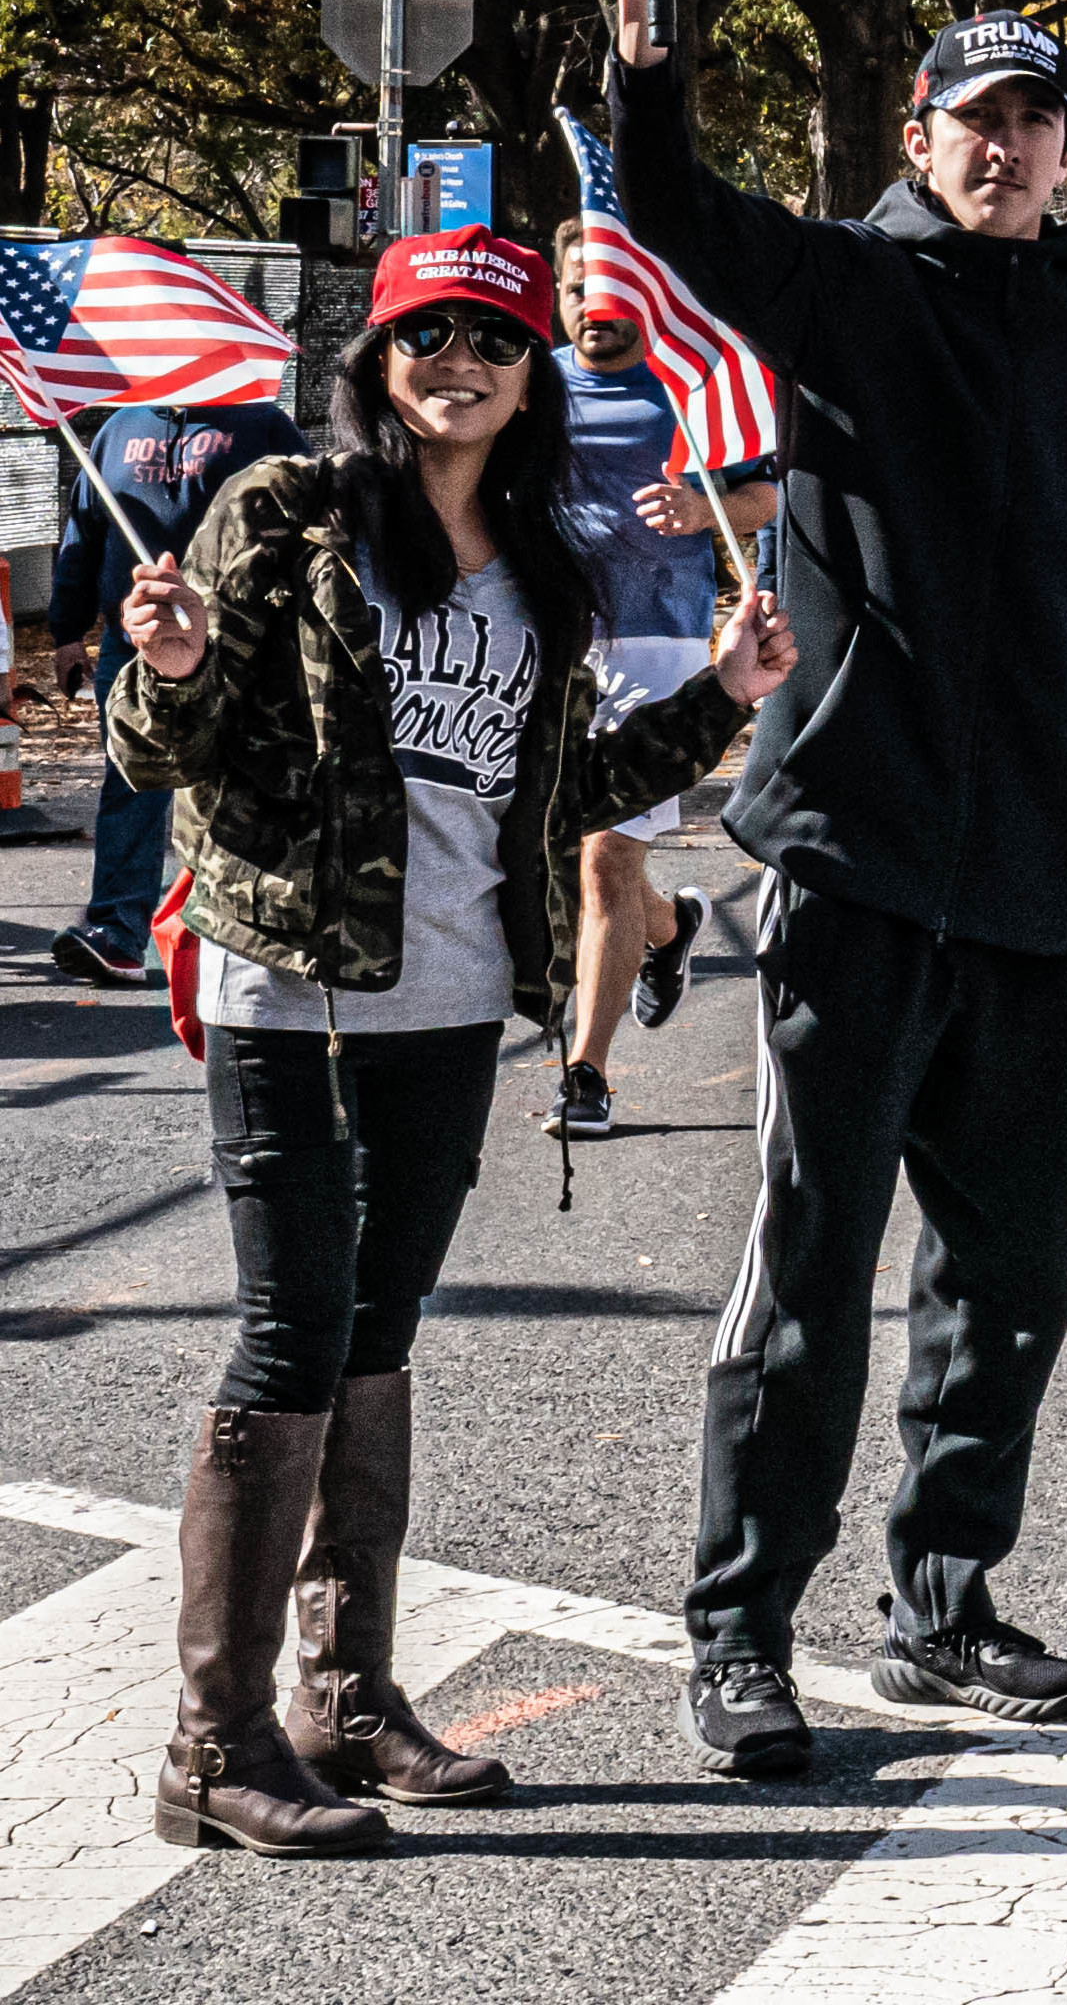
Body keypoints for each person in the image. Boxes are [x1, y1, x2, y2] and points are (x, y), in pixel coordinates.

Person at [605, 0, 1067, 1780]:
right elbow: (673, 206)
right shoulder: (851, 300)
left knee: (1004, 1282)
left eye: (1041, 125)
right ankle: (739, 1628)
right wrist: (649, 12)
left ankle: (942, 1602)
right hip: (853, 865)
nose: (1014, 151)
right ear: (925, 139)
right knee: (811, 1268)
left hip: (1041, 885)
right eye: (982, 122)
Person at [109, 228, 781, 1856]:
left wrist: (718, 696)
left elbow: (558, 792)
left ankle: (346, 1699)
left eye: (493, 334)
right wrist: (173, 667)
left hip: (458, 998)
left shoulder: (545, 566)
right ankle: (214, 1741)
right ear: (380, 362)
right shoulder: (294, 515)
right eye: (427, 334)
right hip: (298, 989)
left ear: (535, 369)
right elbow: (154, 755)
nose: (456, 359)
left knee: (378, 1334)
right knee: (289, 1331)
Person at [542, 224, 776, 1142]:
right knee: (565, 839)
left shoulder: (697, 384)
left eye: (607, 290)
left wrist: (700, 509)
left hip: (660, 642)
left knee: (603, 855)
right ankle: (670, 930)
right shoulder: (531, 384)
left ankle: (584, 1075)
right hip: (550, 641)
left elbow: (773, 493)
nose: (592, 308)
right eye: (573, 291)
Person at [39, 391, 306, 986]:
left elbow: (316, 531)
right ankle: (117, 930)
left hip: (242, 638)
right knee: (135, 776)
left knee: (238, 780)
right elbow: (84, 532)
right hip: (133, 639)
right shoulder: (115, 429)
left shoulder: (263, 425)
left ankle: (242, 928)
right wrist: (65, 632)